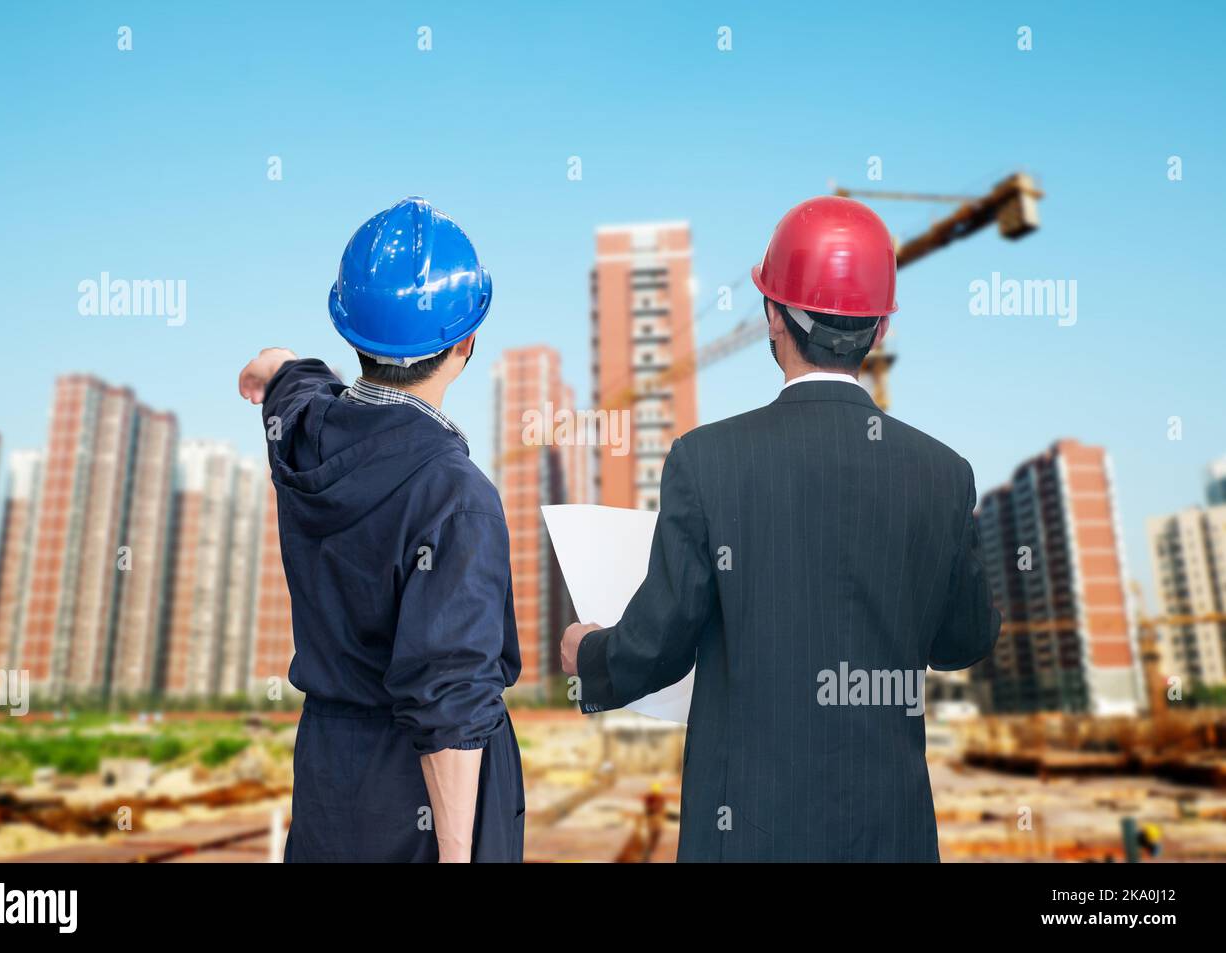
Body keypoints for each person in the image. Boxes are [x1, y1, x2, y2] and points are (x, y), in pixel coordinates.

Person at [561, 196, 1001, 862]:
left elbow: (661, 644)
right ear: (880, 329)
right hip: (891, 837)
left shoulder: (707, 460)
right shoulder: (944, 475)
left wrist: (589, 654)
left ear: (772, 313)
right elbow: (966, 638)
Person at [237, 197, 524, 862]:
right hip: (415, 806)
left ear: (352, 334)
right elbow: (449, 705)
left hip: (327, 787)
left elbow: (285, 372)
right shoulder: (457, 497)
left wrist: (266, 365)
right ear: (466, 342)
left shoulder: (305, 430)